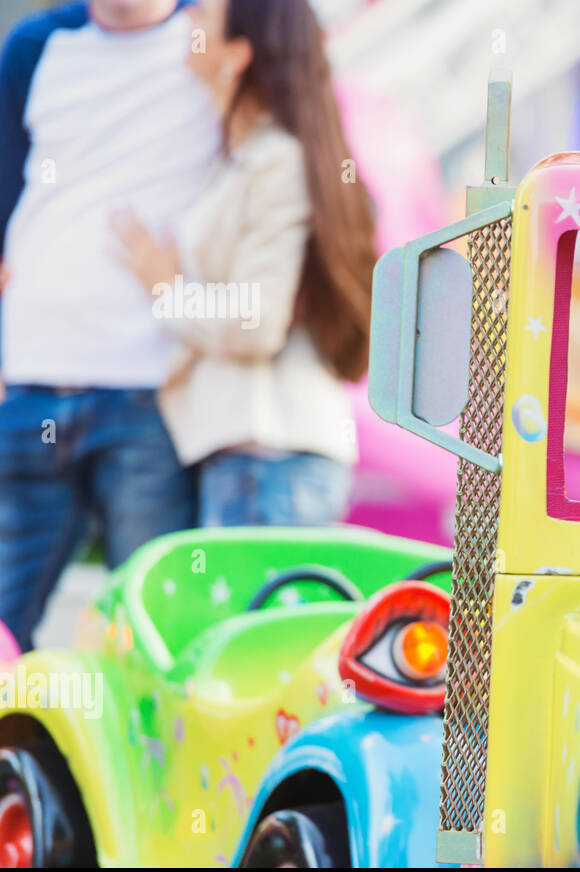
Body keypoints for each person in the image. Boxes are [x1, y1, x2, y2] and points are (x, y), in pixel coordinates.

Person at [0, 0, 220, 652]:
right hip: (32, 382)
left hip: (150, 390)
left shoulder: (211, 34)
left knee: (150, 631)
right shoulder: (37, 46)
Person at [110, 0, 375, 528]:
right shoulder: (247, 158)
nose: (187, 19)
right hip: (261, 463)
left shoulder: (275, 162)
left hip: (268, 461)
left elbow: (257, 321)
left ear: (237, 53)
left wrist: (166, 288)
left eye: (204, 15)